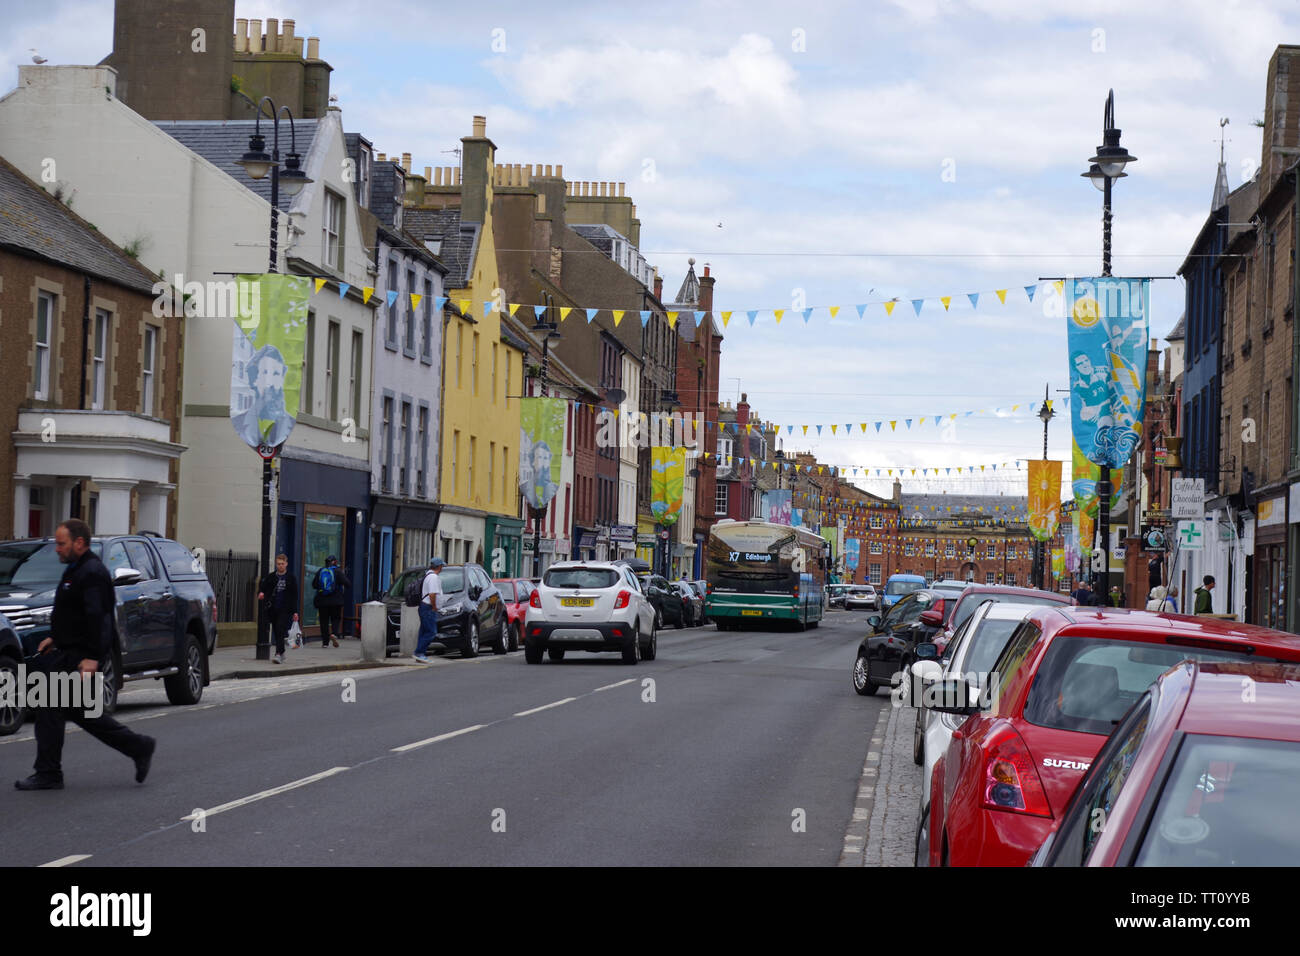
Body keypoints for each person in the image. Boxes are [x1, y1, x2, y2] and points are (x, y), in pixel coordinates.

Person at [15, 519, 156, 791]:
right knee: (83, 714)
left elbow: (99, 619)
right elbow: (76, 615)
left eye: (61, 543)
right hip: (68, 651)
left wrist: (92, 657)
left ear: (79, 542)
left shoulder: (92, 572)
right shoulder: (76, 569)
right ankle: (139, 746)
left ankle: (48, 772)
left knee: (48, 707)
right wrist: (56, 637)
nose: (57, 549)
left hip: (79, 656)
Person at [232, 344, 295, 448]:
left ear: (282, 379)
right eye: (265, 373)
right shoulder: (238, 422)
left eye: (276, 374)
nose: (270, 383)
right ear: (255, 380)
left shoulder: (292, 423)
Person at [257, 554, 299, 664]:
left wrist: (295, 611)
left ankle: (278, 654)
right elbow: (263, 587)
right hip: (273, 608)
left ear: (286, 564)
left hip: (285, 609)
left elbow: (294, 595)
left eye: (282, 564)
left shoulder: (291, 578)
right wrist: (261, 593)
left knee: (280, 628)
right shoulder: (271, 577)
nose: (280, 566)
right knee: (276, 630)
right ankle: (282, 651)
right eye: (278, 564)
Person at [312, 555, 350, 648]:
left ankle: (325, 642)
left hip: (322, 601)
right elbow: (348, 583)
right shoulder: (338, 571)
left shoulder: (321, 571)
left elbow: (314, 585)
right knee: (335, 618)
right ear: (335, 562)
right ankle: (334, 633)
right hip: (336, 601)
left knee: (323, 621)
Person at [413, 557, 446, 663]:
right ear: (439, 566)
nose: (442, 568)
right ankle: (419, 652)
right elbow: (432, 594)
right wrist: (434, 606)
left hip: (424, 606)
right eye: (442, 566)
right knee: (431, 632)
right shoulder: (433, 578)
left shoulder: (428, 575)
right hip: (428, 607)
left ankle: (419, 654)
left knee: (423, 631)